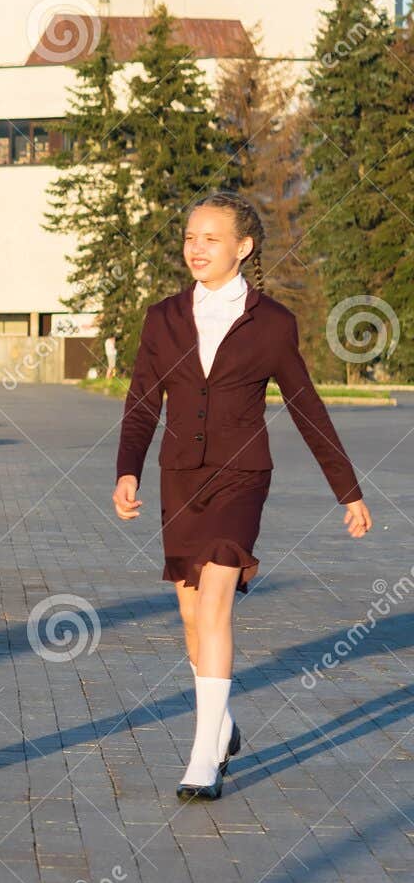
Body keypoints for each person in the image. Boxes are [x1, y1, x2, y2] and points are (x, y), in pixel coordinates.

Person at [112, 192, 372, 801]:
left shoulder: (273, 324)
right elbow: (142, 402)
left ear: (242, 247)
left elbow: (307, 407)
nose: (195, 248)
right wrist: (129, 472)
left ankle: (203, 756)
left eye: (209, 238)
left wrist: (348, 490)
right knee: (188, 611)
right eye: (189, 237)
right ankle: (223, 724)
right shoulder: (163, 318)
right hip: (180, 476)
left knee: (216, 602)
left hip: (240, 478)